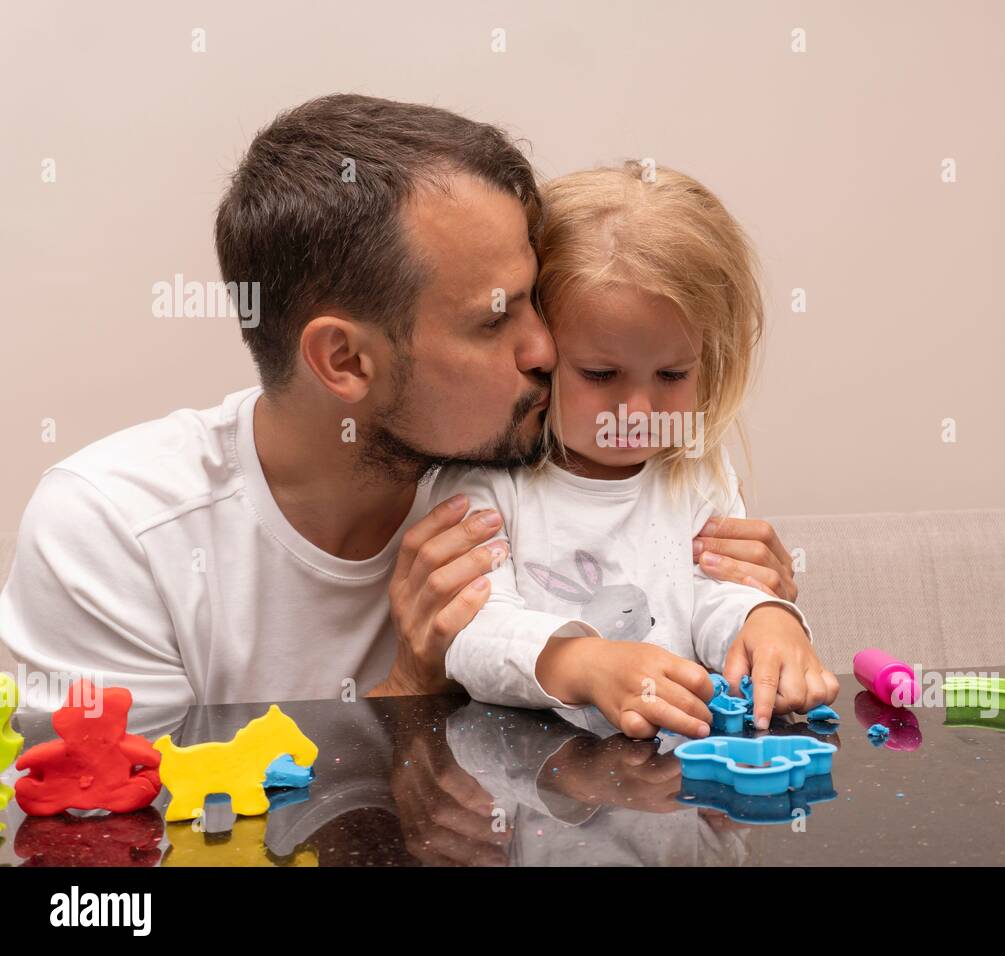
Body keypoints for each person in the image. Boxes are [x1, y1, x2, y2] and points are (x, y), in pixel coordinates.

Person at [0, 94, 801, 711]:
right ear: (345, 361)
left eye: (537, 304)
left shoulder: (537, 466)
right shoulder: (114, 535)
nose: (545, 352)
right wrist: (412, 690)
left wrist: (742, 601)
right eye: (496, 318)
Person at [433, 164, 837, 738]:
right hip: (536, 792)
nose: (639, 414)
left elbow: (714, 590)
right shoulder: (491, 480)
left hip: (676, 787)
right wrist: (582, 663)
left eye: (672, 373)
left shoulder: (694, 469)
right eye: (601, 374)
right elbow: (469, 632)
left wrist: (765, 619)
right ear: (540, 348)